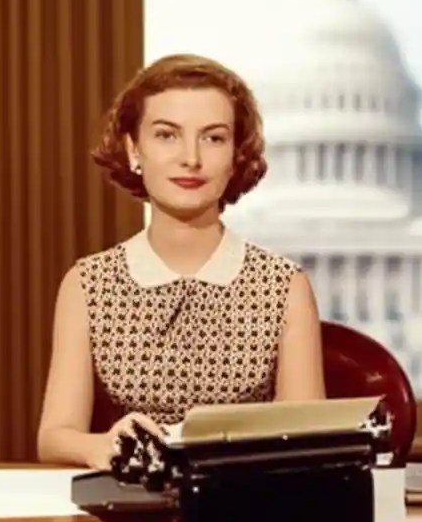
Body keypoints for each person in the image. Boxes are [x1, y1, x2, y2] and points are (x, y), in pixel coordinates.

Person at [35, 54, 326, 470]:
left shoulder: (284, 286)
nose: (191, 158)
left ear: (235, 157)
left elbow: (307, 437)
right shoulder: (88, 283)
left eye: (213, 138)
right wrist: (98, 447)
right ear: (134, 150)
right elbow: (54, 437)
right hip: (127, 501)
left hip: (246, 505)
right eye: (167, 135)